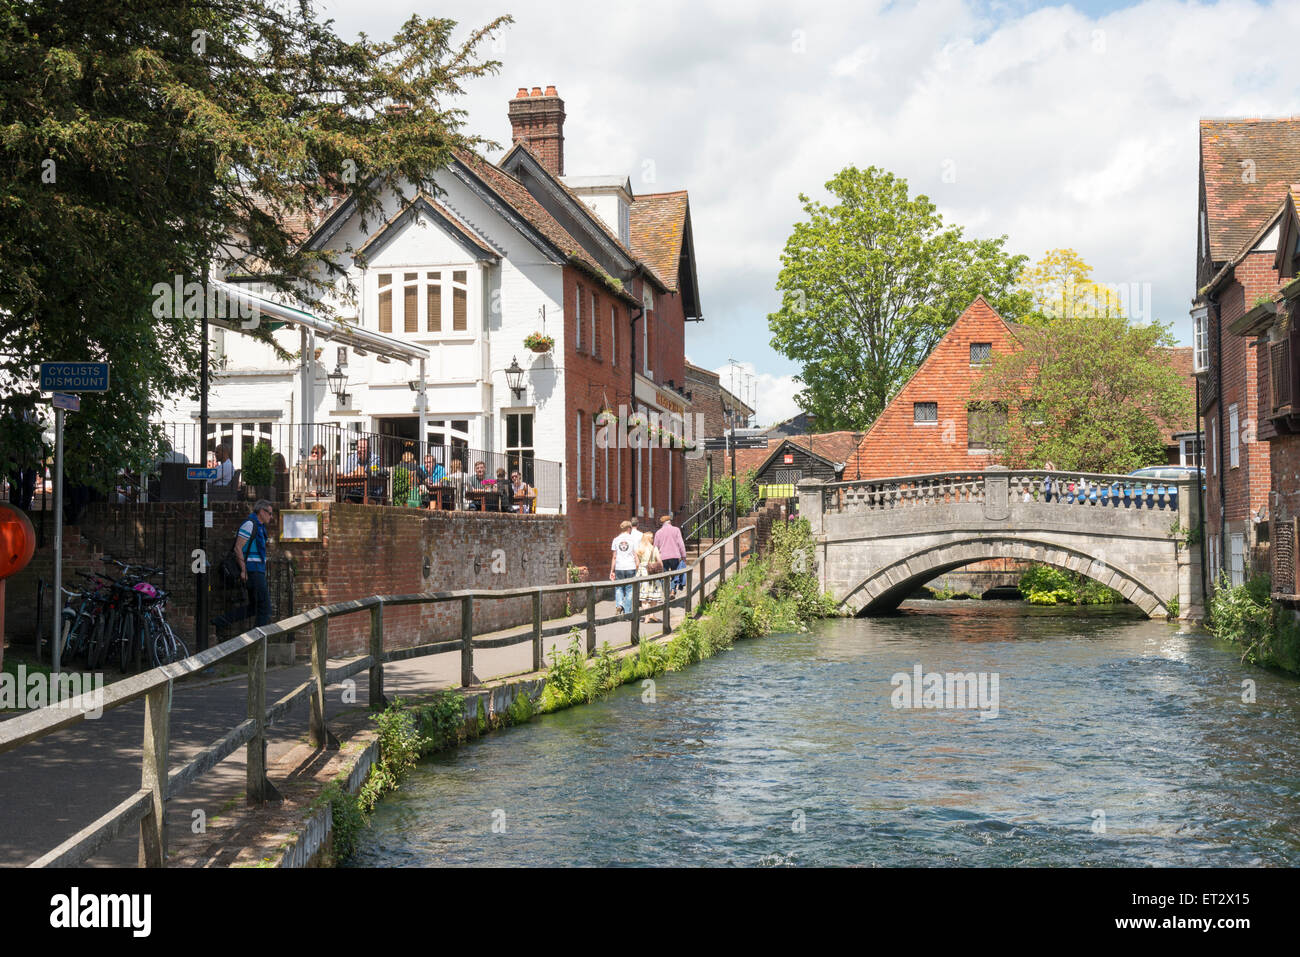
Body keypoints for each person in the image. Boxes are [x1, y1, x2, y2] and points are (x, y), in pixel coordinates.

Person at [213, 499, 274, 634]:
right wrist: (243, 570)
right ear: (261, 512)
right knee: (265, 608)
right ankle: (256, 640)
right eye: (269, 513)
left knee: (254, 607)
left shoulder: (260, 528)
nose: (271, 516)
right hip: (252, 571)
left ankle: (220, 621)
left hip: (257, 570)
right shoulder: (249, 524)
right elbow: (238, 548)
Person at [609, 520, 640, 615]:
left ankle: (619, 605)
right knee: (629, 589)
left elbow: (614, 556)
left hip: (619, 567)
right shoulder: (632, 540)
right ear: (629, 528)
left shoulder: (616, 539)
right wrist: (637, 567)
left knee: (618, 587)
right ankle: (627, 611)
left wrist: (612, 570)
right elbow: (636, 555)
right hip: (630, 566)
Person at [654, 514, 687, 598]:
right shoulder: (676, 530)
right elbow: (681, 544)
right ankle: (672, 590)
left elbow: (655, 547)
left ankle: (666, 591)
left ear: (662, 523)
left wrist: (655, 559)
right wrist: (683, 556)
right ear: (670, 522)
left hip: (662, 557)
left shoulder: (658, 532)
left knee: (663, 575)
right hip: (674, 556)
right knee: (674, 574)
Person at [636, 531, 664, 623]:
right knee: (653, 595)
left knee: (644, 598)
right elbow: (660, 561)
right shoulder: (654, 549)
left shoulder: (639, 549)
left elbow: (637, 563)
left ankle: (646, 617)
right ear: (648, 539)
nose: (653, 539)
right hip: (653, 574)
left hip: (643, 574)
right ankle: (652, 614)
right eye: (651, 538)